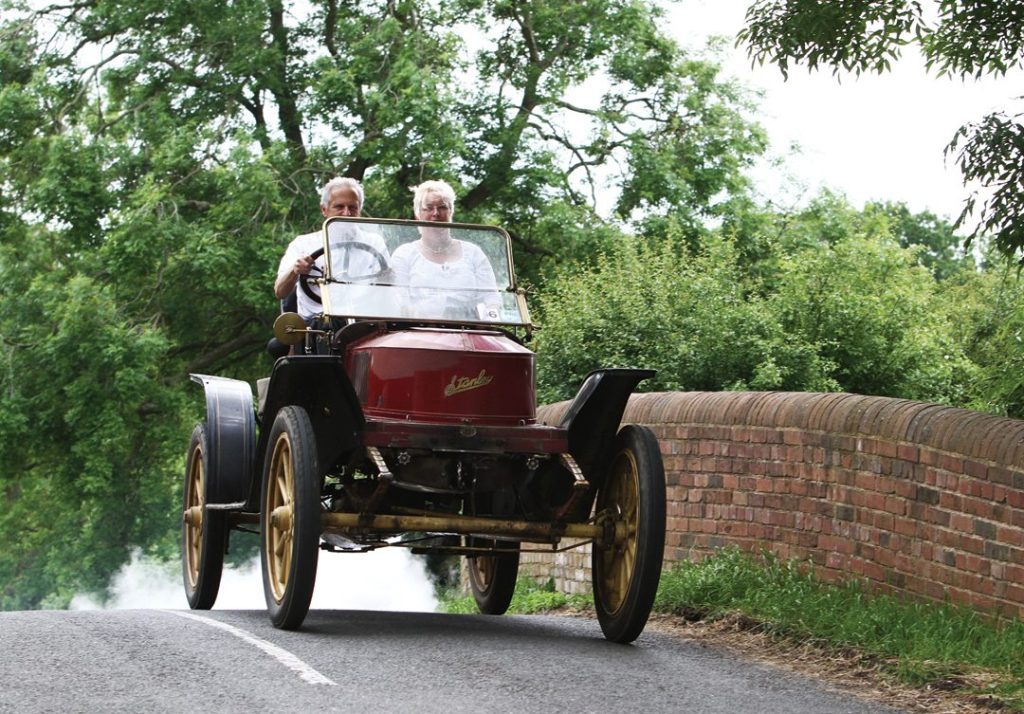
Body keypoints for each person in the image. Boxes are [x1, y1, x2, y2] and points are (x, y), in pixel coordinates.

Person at [274, 176, 389, 322]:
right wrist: (295, 270)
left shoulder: (374, 243)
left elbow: (389, 288)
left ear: (360, 209)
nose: (346, 213)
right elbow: (280, 292)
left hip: (364, 323)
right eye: (339, 207)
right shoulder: (303, 244)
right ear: (324, 209)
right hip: (316, 324)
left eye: (353, 207)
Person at [391, 180, 501, 320]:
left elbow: (491, 299)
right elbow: (400, 303)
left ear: (451, 211)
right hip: (418, 330)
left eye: (442, 207)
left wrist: (488, 321)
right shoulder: (404, 254)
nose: (436, 213)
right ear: (418, 213)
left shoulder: (473, 253)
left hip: (470, 329)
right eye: (428, 208)